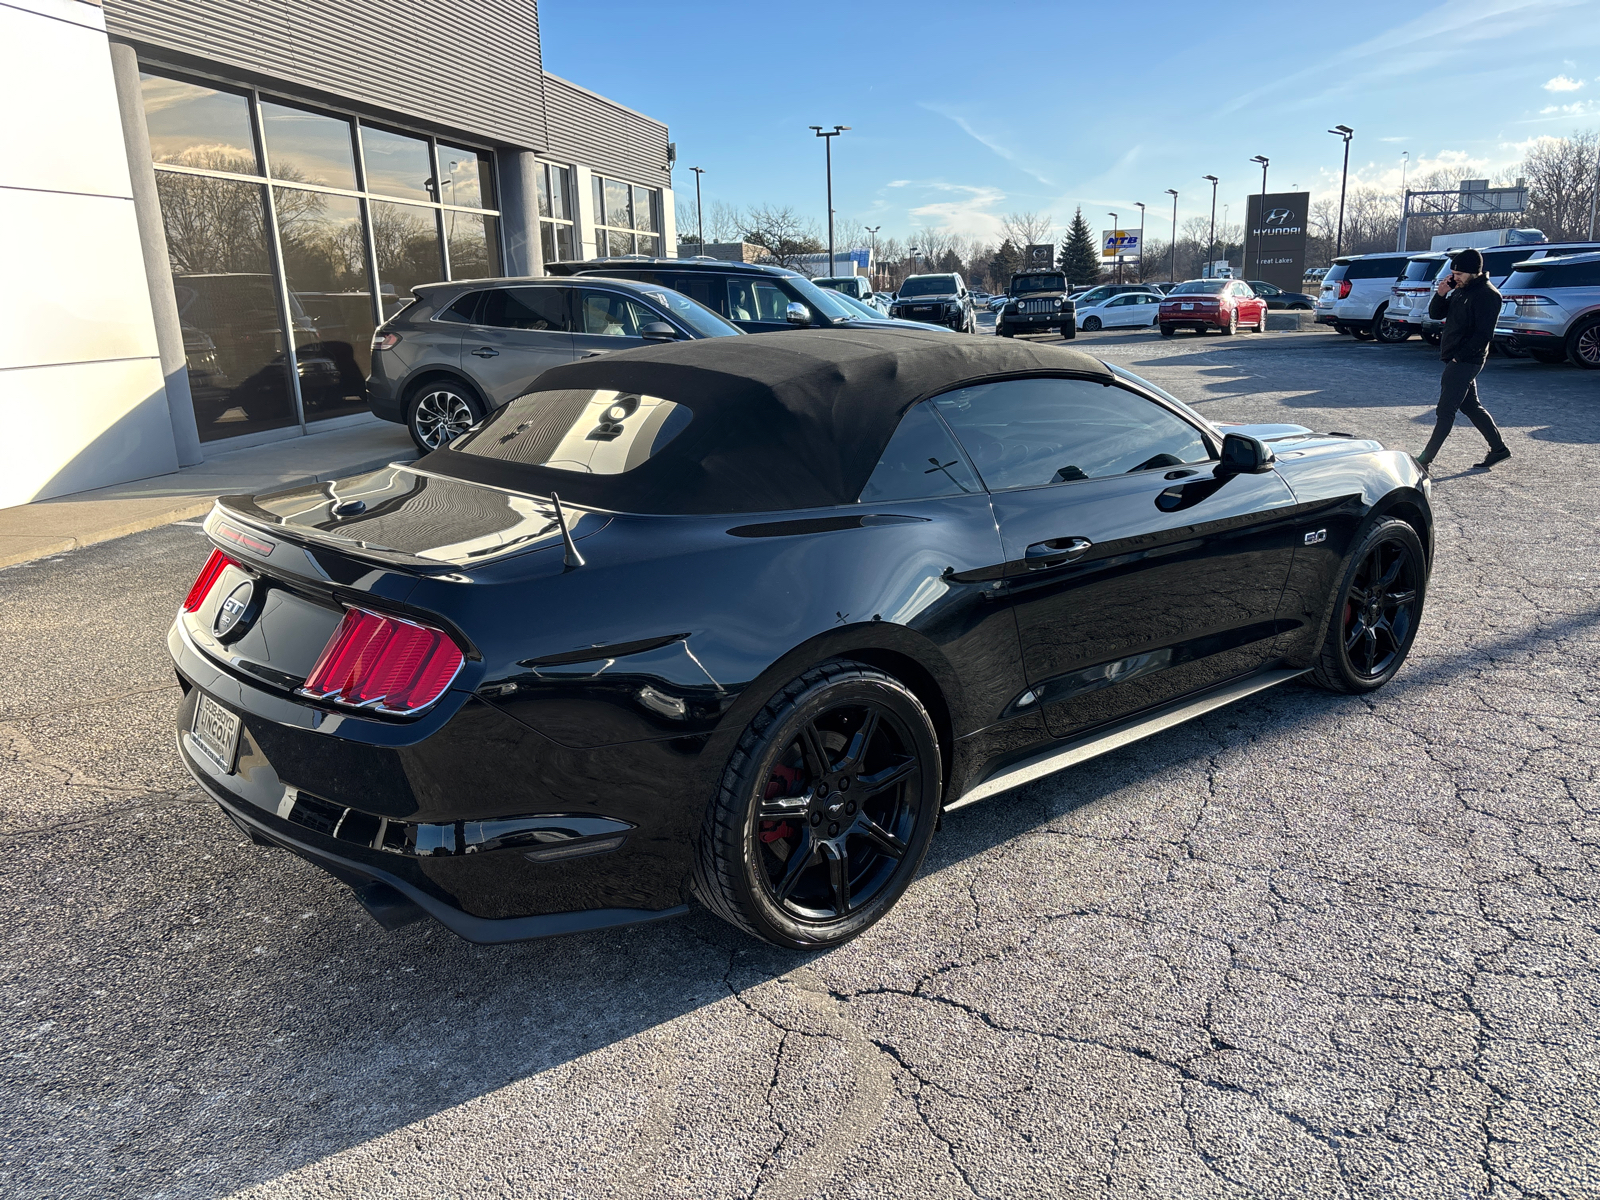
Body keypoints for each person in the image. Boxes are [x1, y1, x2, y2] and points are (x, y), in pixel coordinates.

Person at [1415, 248, 1510, 474]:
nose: (1455, 277)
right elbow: (1437, 314)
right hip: (1455, 358)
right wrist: (1441, 293)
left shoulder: (1488, 294)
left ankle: (1424, 461)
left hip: (1467, 360)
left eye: (1459, 273)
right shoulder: (1460, 290)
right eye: (1453, 273)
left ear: (1473, 272)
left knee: (1445, 410)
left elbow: (1484, 334)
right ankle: (1498, 449)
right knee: (1471, 406)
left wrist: (1460, 357)